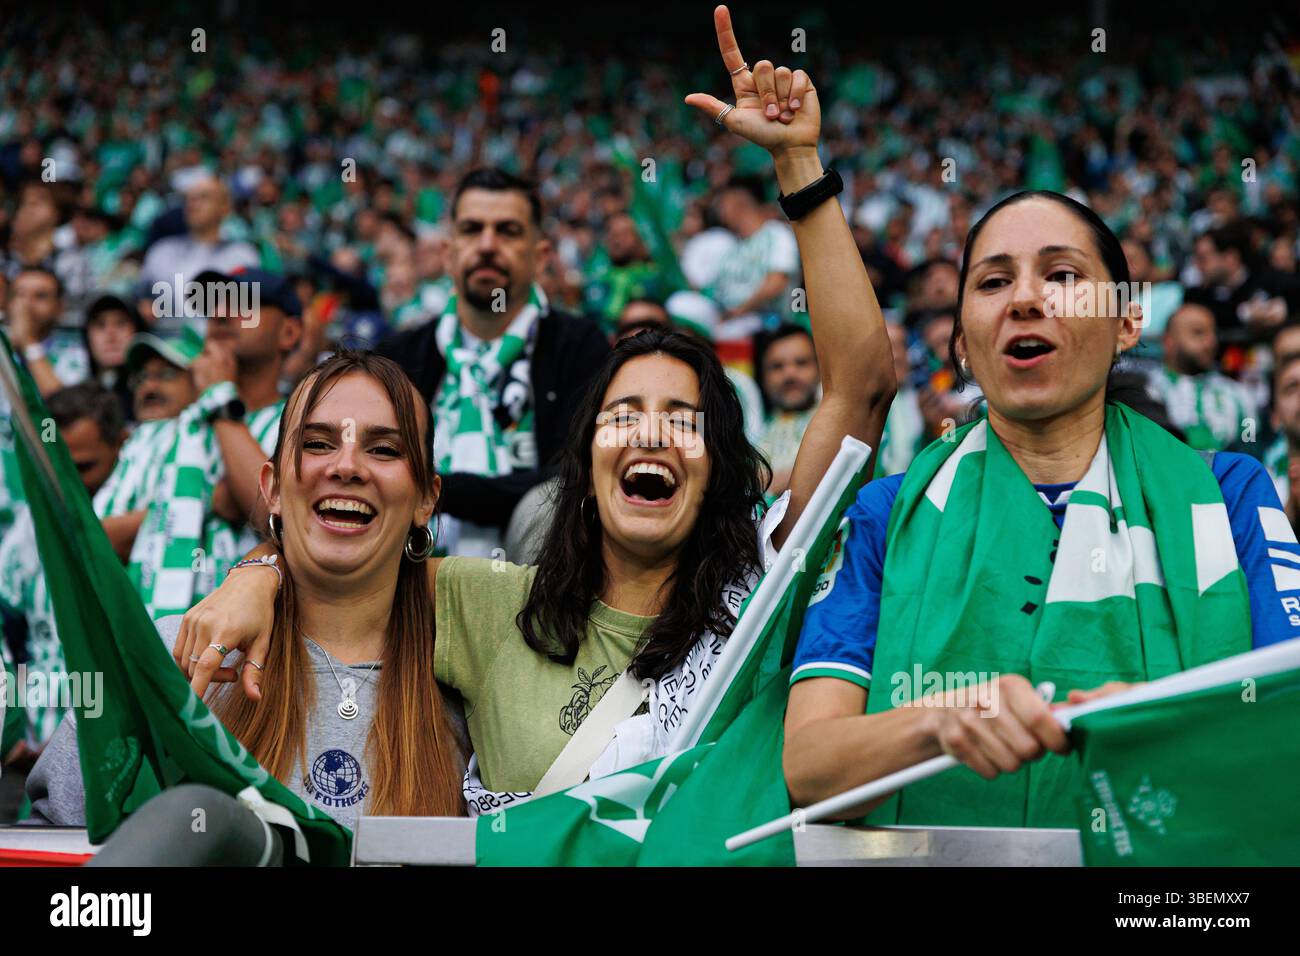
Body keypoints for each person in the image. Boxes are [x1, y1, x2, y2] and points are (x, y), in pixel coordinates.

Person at [175, 5, 896, 807]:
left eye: (680, 420)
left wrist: (799, 165)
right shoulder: (485, 603)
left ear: (719, 465)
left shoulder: (764, 579)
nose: (649, 434)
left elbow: (862, 383)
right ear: (583, 462)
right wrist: (259, 575)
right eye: (622, 416)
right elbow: (342, 550)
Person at [784, 190, 1297, 829]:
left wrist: (1169, 727)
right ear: (964, 342)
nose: (1026, 300)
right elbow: (809, 767)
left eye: (1062, 275)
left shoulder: (1230, 495)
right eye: (994, 282)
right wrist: (935, 722)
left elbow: (1287, 731)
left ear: (1126, 323)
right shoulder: (888, 512)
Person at [27, 352, 467, 827]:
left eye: (384, 450)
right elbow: (54, 845)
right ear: (272, 488)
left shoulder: (476, 672)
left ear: (426, 497)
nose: (347, 467)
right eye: (317, 444)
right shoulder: (168, 654)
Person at [374, 167, 611, 559]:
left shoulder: (580, 347)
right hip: (409, 569)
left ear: (541, 256)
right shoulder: (398, 357)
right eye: (471, 229)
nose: (487, 245)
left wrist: (440, 489)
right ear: (448, 254)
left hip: (540, 575)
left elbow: (577, 476)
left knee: (546, 507)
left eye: (508, 231)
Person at [125, 269, 301, 618]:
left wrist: (221, 400)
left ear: (289, 332)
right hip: (152, 640)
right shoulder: (179, 424)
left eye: (244, 302)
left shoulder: (304, 419)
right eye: (215, 303)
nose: (221, 313)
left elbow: (277, 512)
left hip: (242, 653)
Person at [0, 384, 126, 765]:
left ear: (122, 445)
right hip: (34, 750)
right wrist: (10, 729)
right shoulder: (29, 525)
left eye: (84, 467)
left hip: (121, 752)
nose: (67, 481)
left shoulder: (160, 523)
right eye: (58, 465)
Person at [138, 174, 260, 330]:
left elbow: (250, 317)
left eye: (203, 197)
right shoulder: (161, 252)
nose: (193, 203)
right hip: (166, 345)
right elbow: (141, 300)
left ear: (225, 208)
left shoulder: (242, 256)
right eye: (189, 198)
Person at [1146, 302, 1256, 451]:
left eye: (1213, 333)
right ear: (1168, 342)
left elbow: (1251, 445)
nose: (1211, 342)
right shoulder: (1146, 390)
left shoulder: (1239, 394)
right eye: (1198, 332)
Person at [712, 175, 801, 341]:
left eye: (722, 204)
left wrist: (740, 310)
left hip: (771, 323)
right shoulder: (736, 246)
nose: (719, 211)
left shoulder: (776, 234)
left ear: (738, 205)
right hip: (735, 322)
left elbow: (777, 282)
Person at [754, 324, 820, 495]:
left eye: (801, 363)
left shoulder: (839, 423)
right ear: (763, 376)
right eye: (777, 366)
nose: (790, 374)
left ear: (820, 369)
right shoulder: (754, 432)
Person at [4, 266, 91, 396]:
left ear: (59, 307)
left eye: (40, 296)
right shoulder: (2, 344)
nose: (27, 304)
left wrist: (28, 341)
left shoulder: (76, 353)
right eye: (20, 295)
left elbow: (65, 407)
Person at [82, 293, 148, 423]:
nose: (111, 335)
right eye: (100, 325)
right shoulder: (78, 394)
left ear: (138, 331)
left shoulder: (152, 391)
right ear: (87, 338)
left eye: (121, 323)